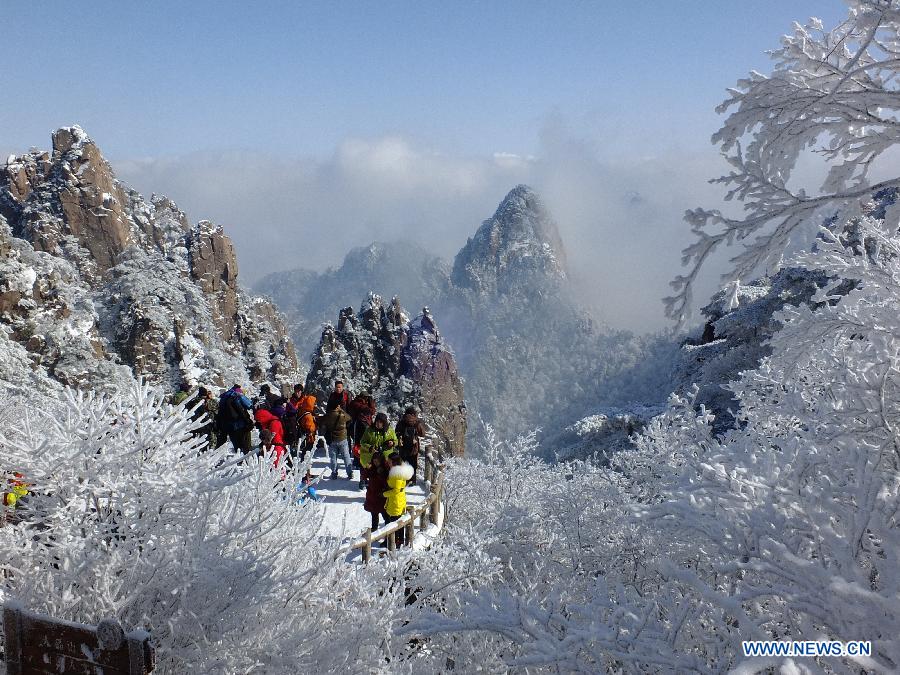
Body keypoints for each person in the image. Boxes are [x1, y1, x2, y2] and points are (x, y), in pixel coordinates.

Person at [359, 412, 398, 490]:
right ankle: (365, 482)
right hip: (372, 457)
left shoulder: (390, 431)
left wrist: (393, 443)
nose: (378, 424)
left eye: (380, 422)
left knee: (384, 474)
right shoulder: (369, 430)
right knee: (371, 472)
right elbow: (362, 442)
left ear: (384, 423)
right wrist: (370, 447)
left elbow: (396, 441)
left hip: (385, 458)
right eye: (377, 421)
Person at [383, 452, 414, 547]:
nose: (388, 463)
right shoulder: (398, 471)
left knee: (395, 523)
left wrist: (384, 494)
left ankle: (395, 542)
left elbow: (396, 490)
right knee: (399, 521)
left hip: (395, 501)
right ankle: (399, 541)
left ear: (394, 462)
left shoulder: (397, 474)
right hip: (398, 500)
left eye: (389, 461)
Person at [217, 385, 254, 453]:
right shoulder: (236, 394)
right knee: (246, 447)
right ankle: (247, 458)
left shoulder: (223, 397)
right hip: (240, 425)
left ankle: (239, 458)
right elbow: (249, 405)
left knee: (237, 448)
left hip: (228, 426)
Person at [321, 404, 353, 480]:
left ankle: (334, 473)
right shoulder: (342, 415)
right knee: (346, 456)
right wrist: (341, 410)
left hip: (332, 439)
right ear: (337, 406)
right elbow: (349, 418)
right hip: (342, 438)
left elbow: (322, 424)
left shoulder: (327, 415)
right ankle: (349, 473)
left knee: (333, 457)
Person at [395, 407, 425, 486]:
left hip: (403, 447)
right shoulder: (416, 422)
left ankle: (404, 481)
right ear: (413, 414)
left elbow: (396, 432)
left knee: (403, 463)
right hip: (413, 448)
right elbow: (422, 433)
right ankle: (413, 481)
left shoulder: (402, 421)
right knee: (413, 464)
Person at [255, 401, 286, 467]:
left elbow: (271, 437)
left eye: (259, 420)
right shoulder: (271, 422)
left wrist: (265, 444)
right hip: (275, 446)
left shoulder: (274, 423)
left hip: (277, 447)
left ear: (263, 418)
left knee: (276, 466)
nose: (259, 423)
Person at [363, 451, 388, 531]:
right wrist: (366, 469)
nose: (375, 463)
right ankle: (374, 530)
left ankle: (388, 531)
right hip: (372, 494)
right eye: (374, 461)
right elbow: (364, 476)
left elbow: (386, 482)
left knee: (385, 515)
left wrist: (381, 474)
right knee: (374, 514)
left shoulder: (385, 468)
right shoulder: (372, 468)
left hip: (381, 495)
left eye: (377, 461)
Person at [191, 386, 219, 450]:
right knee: (211, 440)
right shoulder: (210, 401)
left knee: (199, 440)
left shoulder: (193, 401)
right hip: (208, 424)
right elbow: (217, 410)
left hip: (196, 424)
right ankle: (209, 452)